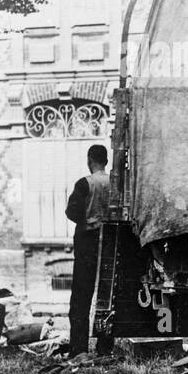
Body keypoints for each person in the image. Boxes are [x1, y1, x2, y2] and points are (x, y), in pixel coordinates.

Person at [64, 143, 111, 357]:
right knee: (108, 297)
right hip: (111, 243)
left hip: (87, 244)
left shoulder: (85, 183)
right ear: (107, 161)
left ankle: (79, 349)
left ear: (89, 160)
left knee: (81, 298)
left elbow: (72, 212)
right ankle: (104, 348)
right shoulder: (116, 183)